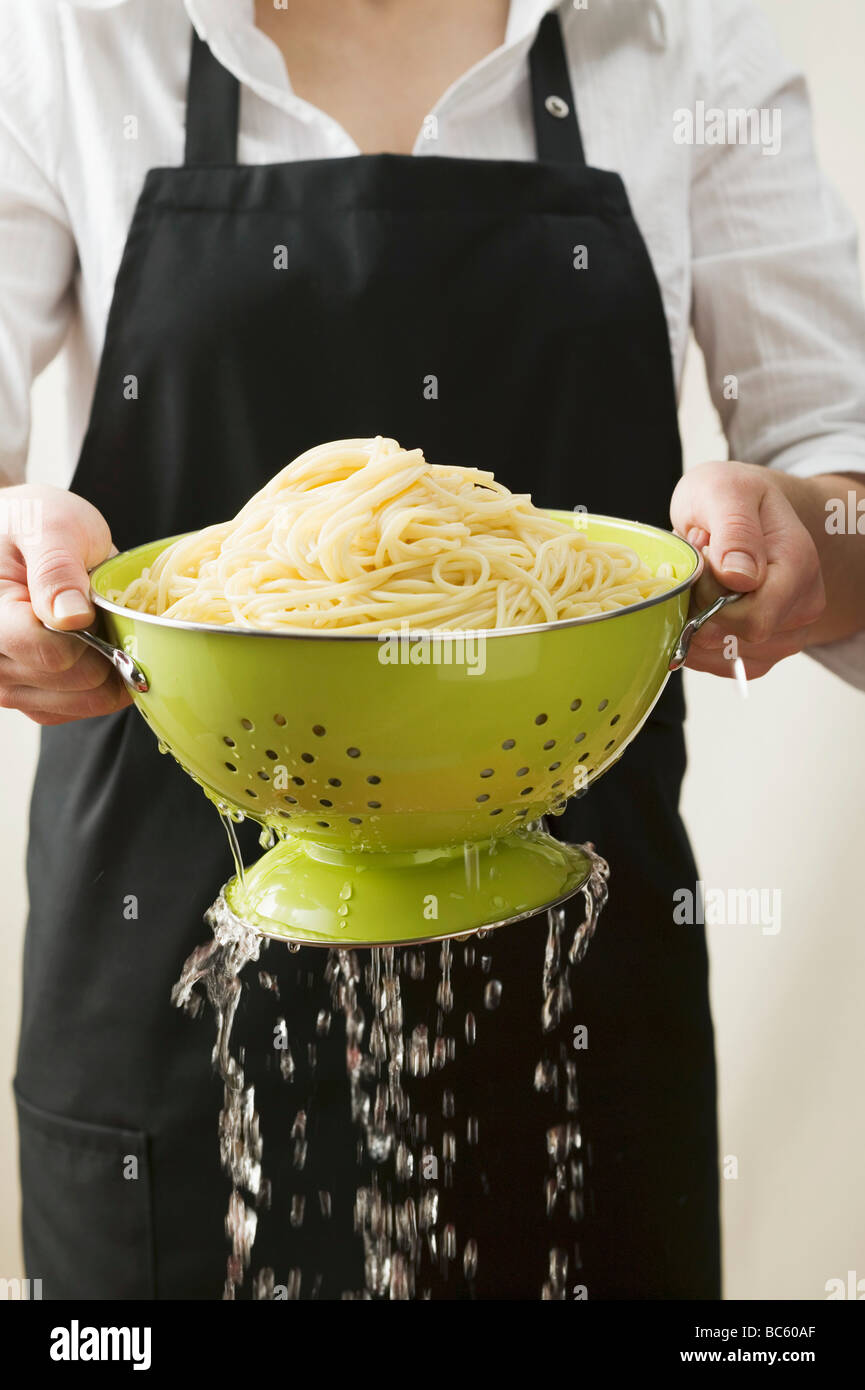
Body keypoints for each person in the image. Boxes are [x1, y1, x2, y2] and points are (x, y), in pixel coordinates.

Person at [1, 0, 864, 1300]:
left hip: (575, 972)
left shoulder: (681, 37)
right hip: (165, 981)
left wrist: (798, 533)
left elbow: (838, 467)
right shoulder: (68, 33)